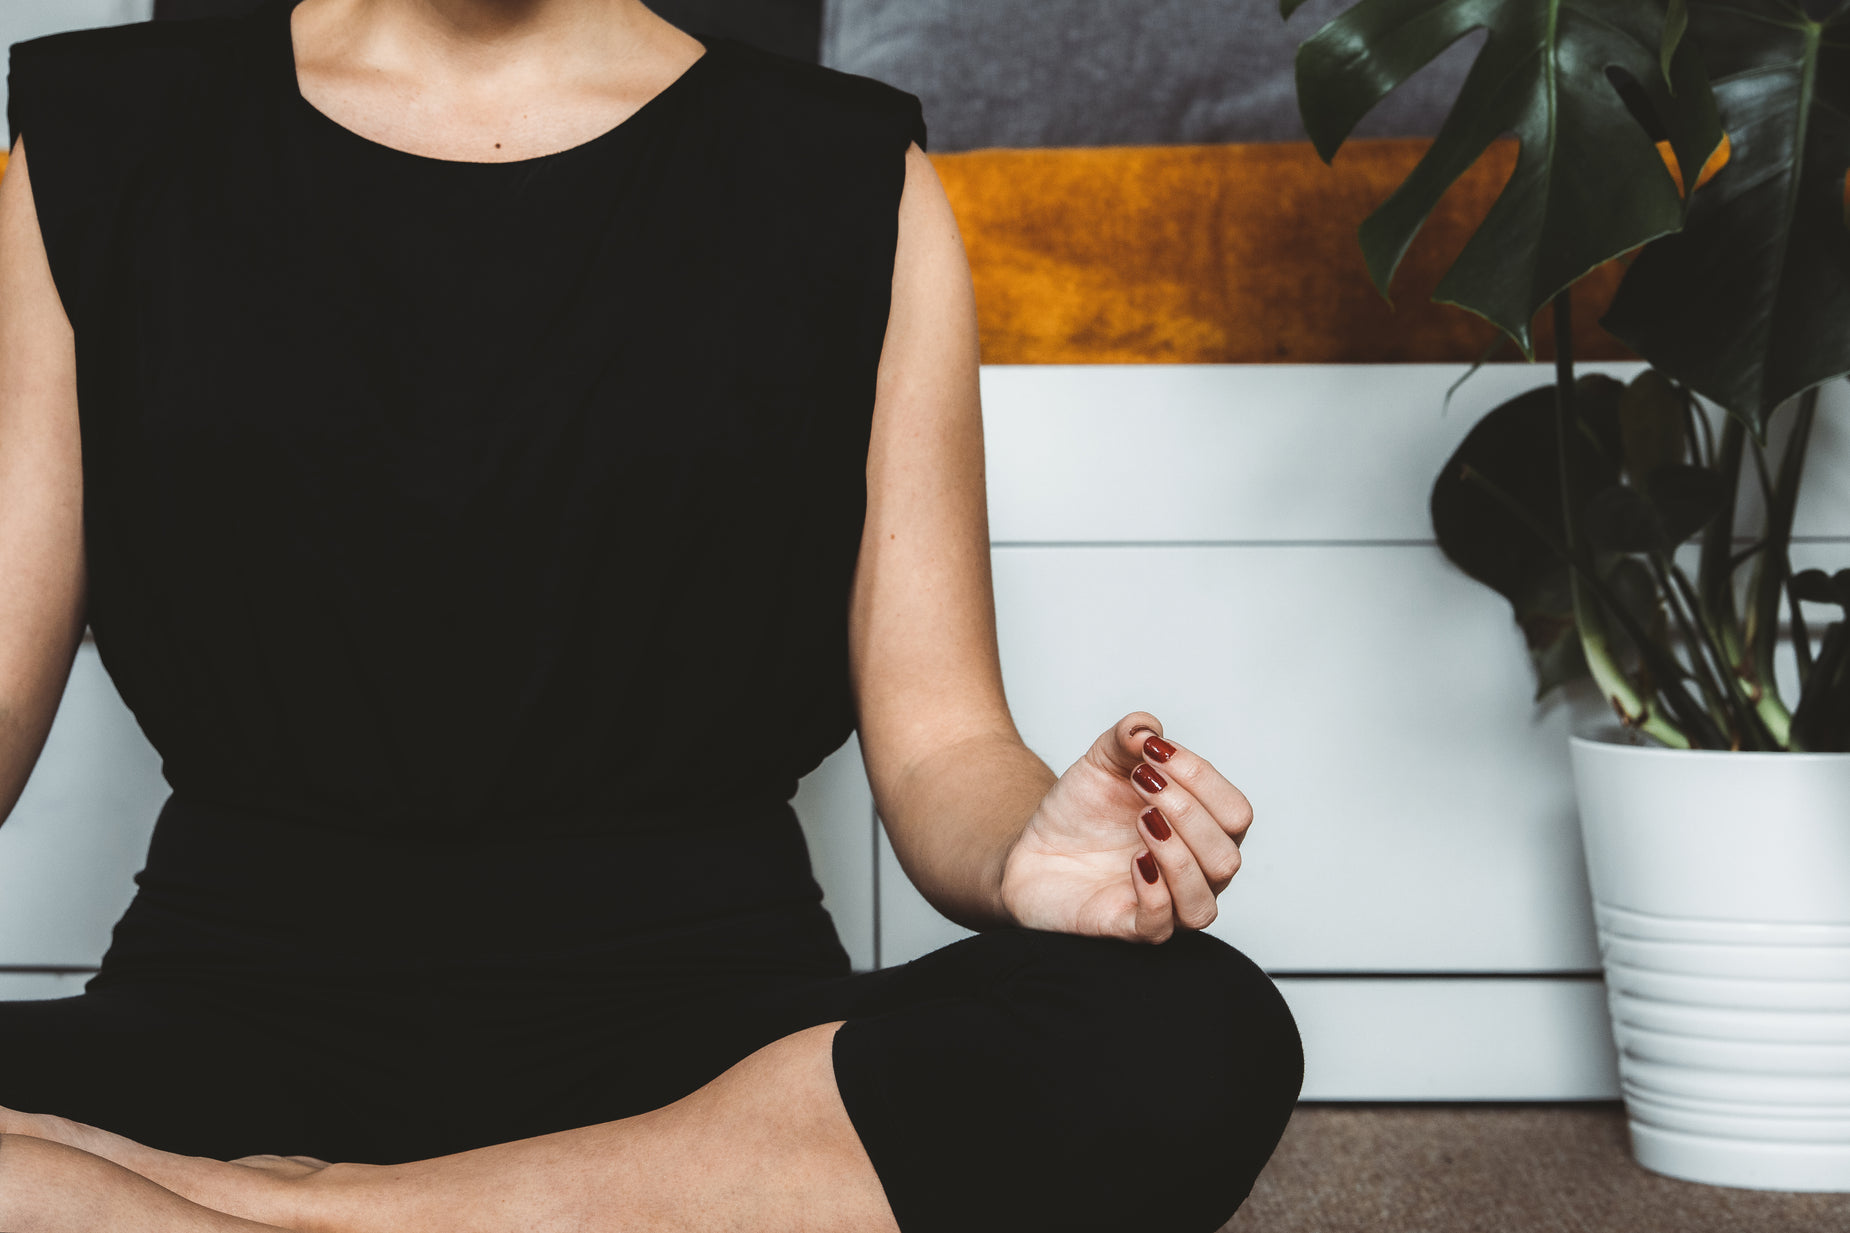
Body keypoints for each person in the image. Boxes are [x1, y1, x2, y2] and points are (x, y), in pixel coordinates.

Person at [0, 0, 1304, 1229]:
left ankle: (278, 1208)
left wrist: (1031, 848)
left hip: (714, 1061)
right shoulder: (93, 139)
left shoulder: (845, 170)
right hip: (214, 1020)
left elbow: (942, 742)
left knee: (1195, 1031)